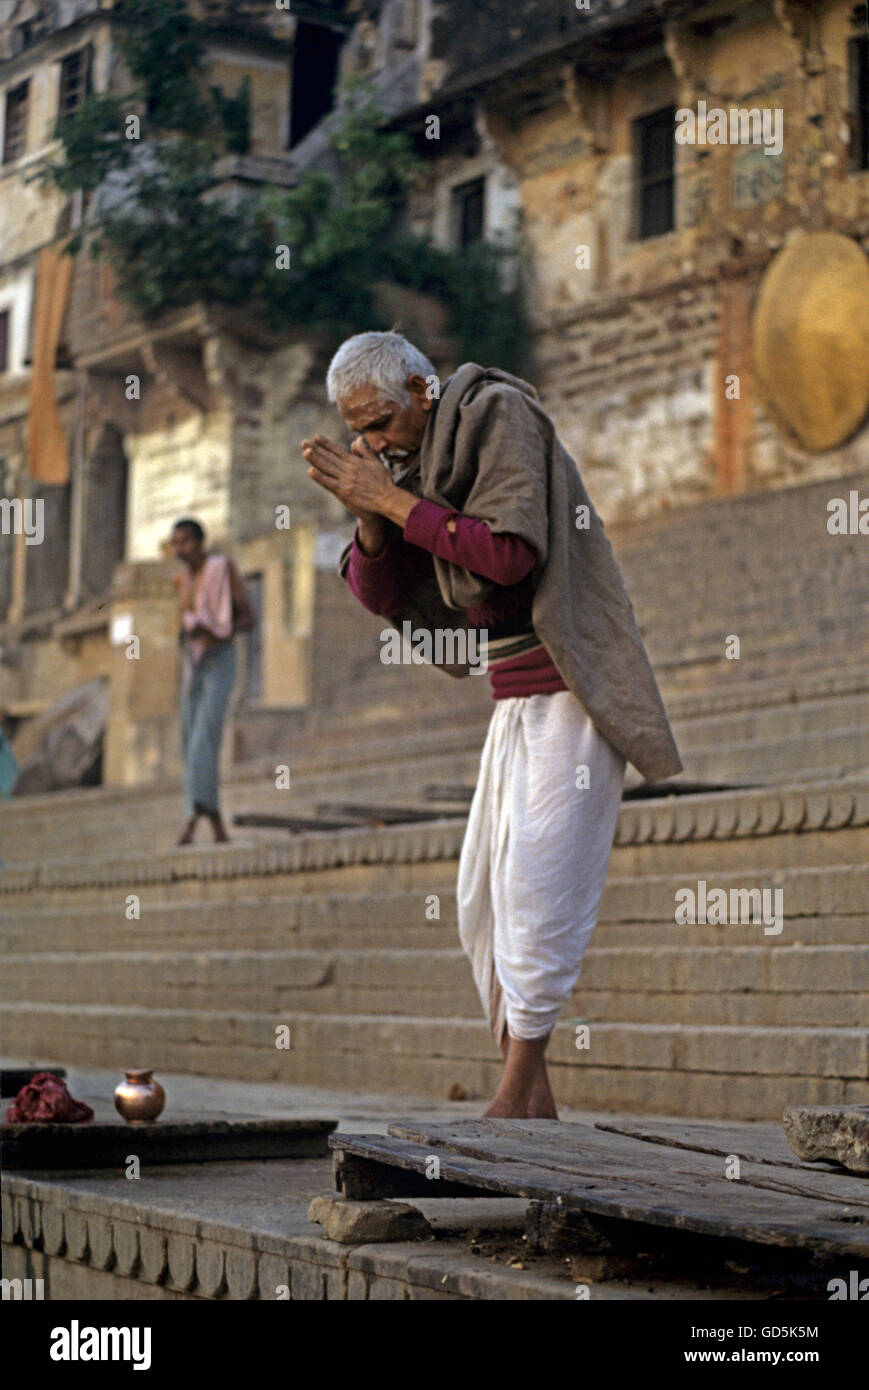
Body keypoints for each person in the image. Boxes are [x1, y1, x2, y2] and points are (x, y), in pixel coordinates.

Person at [302, 331, 682, 1119]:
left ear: (420, 387)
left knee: (537, 890)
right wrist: (372, 516)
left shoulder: (497, 413)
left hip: (571, 688)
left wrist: (392, 502)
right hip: (512, 699)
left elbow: (505, 556)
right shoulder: (403, 466)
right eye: (359, 432)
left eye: (380, 422)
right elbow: (380, 594)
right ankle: (534, 1104)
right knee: (483, 898)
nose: (372, 443)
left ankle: (512, 1095)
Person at [170, 518, 253, 846]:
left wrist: (218, 630)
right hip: (193, 663)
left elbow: (248, 618)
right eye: (176, 543)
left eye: (187, 541)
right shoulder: (180, 580)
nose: (181, 549)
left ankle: (194, 820)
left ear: (201, 542)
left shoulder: (223, 568)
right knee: (190, 741)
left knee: (205, 740)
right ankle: (213, 819)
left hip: (220, 658)